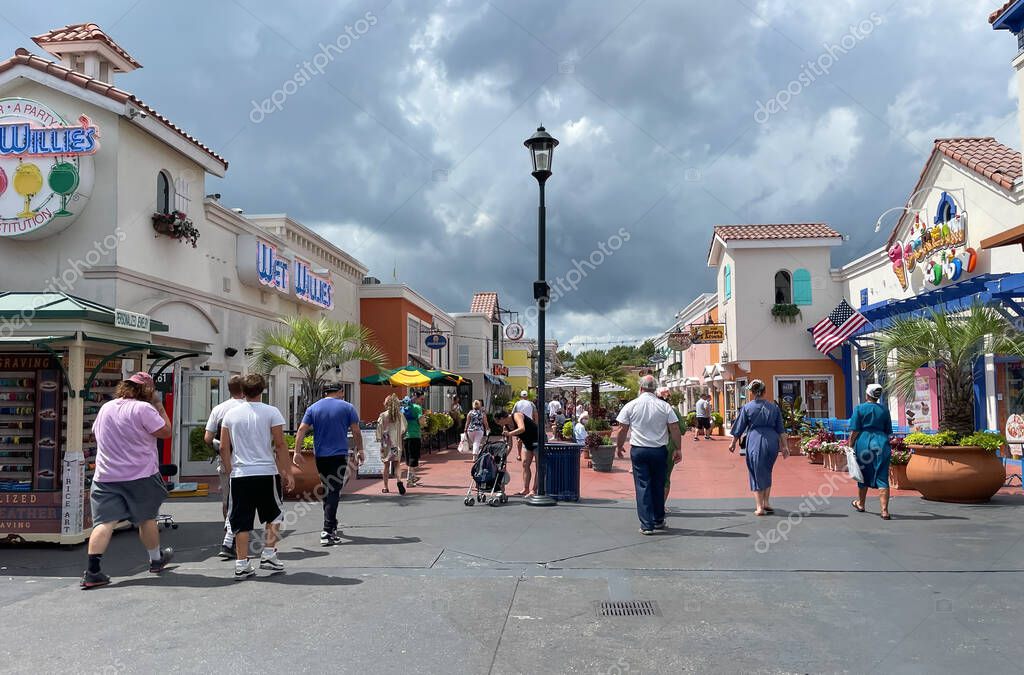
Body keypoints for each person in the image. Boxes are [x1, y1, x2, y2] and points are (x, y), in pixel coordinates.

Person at [81, 372, 175, 589]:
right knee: (146, 518)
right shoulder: (145, 409)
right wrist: (159, 405)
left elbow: (97, 433)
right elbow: (166, 432)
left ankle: (92, 571)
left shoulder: (106, 408)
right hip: (140, 474)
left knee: (104, 523)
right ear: (147, 391)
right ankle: (155, 560)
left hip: (106, 476)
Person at [220, 374, 294, 579]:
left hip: (240, 474)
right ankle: (269, 553)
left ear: (242, 392)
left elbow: (224, 446)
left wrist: (228, 468)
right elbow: (280, 444)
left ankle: (242, 563)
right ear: (263, 390)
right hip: (266, 472)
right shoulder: (272, 412)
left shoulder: (231, 415)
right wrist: (287, 472)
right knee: (274, 514)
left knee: (241, 520)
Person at [294, 382, 363, 546]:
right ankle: (327, 530)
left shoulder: (313, 408)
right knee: (333, 491)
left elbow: (302, 429)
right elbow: (356, 431)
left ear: (325, 393)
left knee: (328, 489)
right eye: (342, 392)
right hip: (338, 455)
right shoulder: (348, 407)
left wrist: (297, 452)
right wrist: (360, 450)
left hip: (321, 456)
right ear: (339, 391)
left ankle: (331, 525)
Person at [616, 376, 682, 534]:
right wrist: (678, 448)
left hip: (639, 450)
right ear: (655, 389)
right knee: (658, 483)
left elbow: (622, 429)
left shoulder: (631, 405)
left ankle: (647, 524)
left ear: (640, 388)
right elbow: (674, 428)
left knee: (642, 485)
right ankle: (658, 518)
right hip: (659, 450)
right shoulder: (664, 406)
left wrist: (619, 446)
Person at [728, 380, 787, 516]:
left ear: (752, 393)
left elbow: (739, 427)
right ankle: (766, 502)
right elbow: (781, 430)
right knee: (767, 470)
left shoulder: (748, 407)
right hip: (772, 441)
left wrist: (733, 443)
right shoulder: (774, 408)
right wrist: (785, 446)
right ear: (764, 391)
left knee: (755, 472)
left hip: (755, 439)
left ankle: (759, 507)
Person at [204, 375, 245, 559]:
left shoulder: (219, 409)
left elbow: (207, 438)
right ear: (244, 389)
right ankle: (235, 537)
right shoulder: (249, 407)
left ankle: (229, 533)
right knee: (244, 501)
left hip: (225, 459)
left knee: (227, 500)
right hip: (246, 461)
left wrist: (221, 448)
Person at [849, 383, 893, 520]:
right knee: (882, 475)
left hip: (863, 443)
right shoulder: (884, 410)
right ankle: (884, 511)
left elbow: (855, 429)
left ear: (867, 394)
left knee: (862, 473)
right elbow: (888, 431)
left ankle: (861, 503)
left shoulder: (859, 409)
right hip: (881, 442)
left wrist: (850, 444)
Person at [494, 408, 539, 497]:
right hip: (527, 442)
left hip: (538, 440)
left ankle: (534, 490)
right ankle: (526, 489)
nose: (498, 424)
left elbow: (522, 428)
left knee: (539, 466)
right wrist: (503, 455)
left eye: (498, 422)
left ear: (503, 418)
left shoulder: (517, 415)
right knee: (525, 463)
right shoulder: (505, 426)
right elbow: (510, 445)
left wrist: (510, 434)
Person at [657, 387, 684, 504]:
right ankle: (660, 506)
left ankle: (651, 505)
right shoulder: (672, 410)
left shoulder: (648, 409)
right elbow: (682, 429)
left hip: (651, 445)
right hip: (669, 445)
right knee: (665, 477)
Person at [376, 394, 407, 495]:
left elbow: (379, 430)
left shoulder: (383, 415)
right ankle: (398, 480)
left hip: (386, 443)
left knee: (386, 465)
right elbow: (404, 429)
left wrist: (378, 439)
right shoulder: (400, 415)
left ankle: (385, 487)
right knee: (397, 463)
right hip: (396, 443)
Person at [402, 390, 427, 487]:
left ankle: (413, 477)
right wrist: (424, 422)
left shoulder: (405, 408)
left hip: (406, 436)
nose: (422, 401)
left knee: (408, 458)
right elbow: (421, 422)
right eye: (421, 399)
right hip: (415, 435)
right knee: (413, 458)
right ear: (416, 397)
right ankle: (409, 480)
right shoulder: (417, 408)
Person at [512, 390, 536, 461]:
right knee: (531, 440)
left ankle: (519, 455)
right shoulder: (531, 403)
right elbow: (535, 414)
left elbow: (513, 414)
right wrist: (536, 424)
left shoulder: (517, 403)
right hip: (529, 424)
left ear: (520, 396)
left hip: (519, 423)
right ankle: (531, 455)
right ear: (527, 397)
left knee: (519, 440)